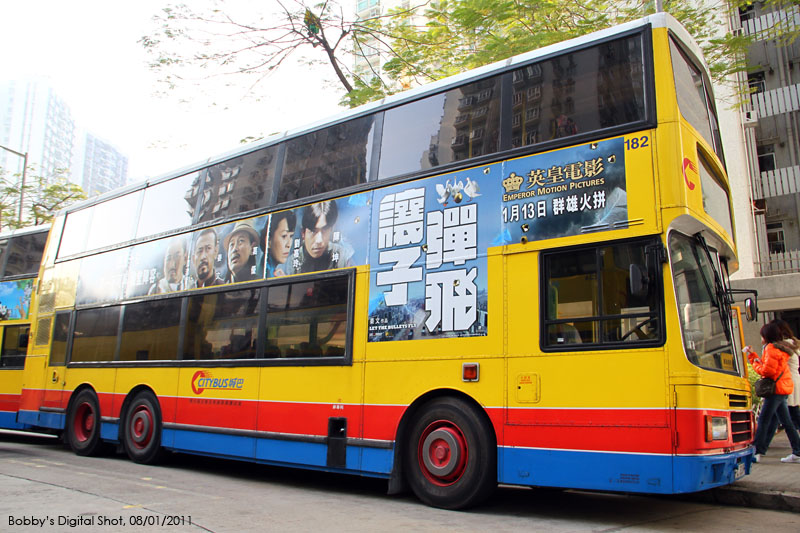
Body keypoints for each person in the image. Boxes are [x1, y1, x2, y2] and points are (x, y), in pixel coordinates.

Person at [745, 321, 800, 463]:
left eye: (762, 335)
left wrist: (753, 362)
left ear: (767, 336)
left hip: (774, 389)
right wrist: (754, 356)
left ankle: (756, 451)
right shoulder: (783, 348)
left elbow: (767, 371)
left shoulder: (770, 348)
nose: (761, 338)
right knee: (786, 422)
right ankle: (797, 451)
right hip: (783, 387)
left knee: (764, 419)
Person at [762, 319, 800, 444]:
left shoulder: (780, 346)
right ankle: (763, 445)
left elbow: (769, 369)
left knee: (777, 417)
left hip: (782, 383)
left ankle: (762, 445)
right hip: (792, 380)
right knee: (789, 414)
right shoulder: (793, 343)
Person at [295, 200, 353, 274]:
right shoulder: (290, 265)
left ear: (331, 230)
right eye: (313, 231)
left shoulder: (344, 256)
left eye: (324, 230)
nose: (319, 240)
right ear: (303, 233)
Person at [265, 211, 296, 278]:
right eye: (284, 236)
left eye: (291, 236)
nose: (289, 244)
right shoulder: (265, 273)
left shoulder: (274, 271)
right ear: (269, 240)